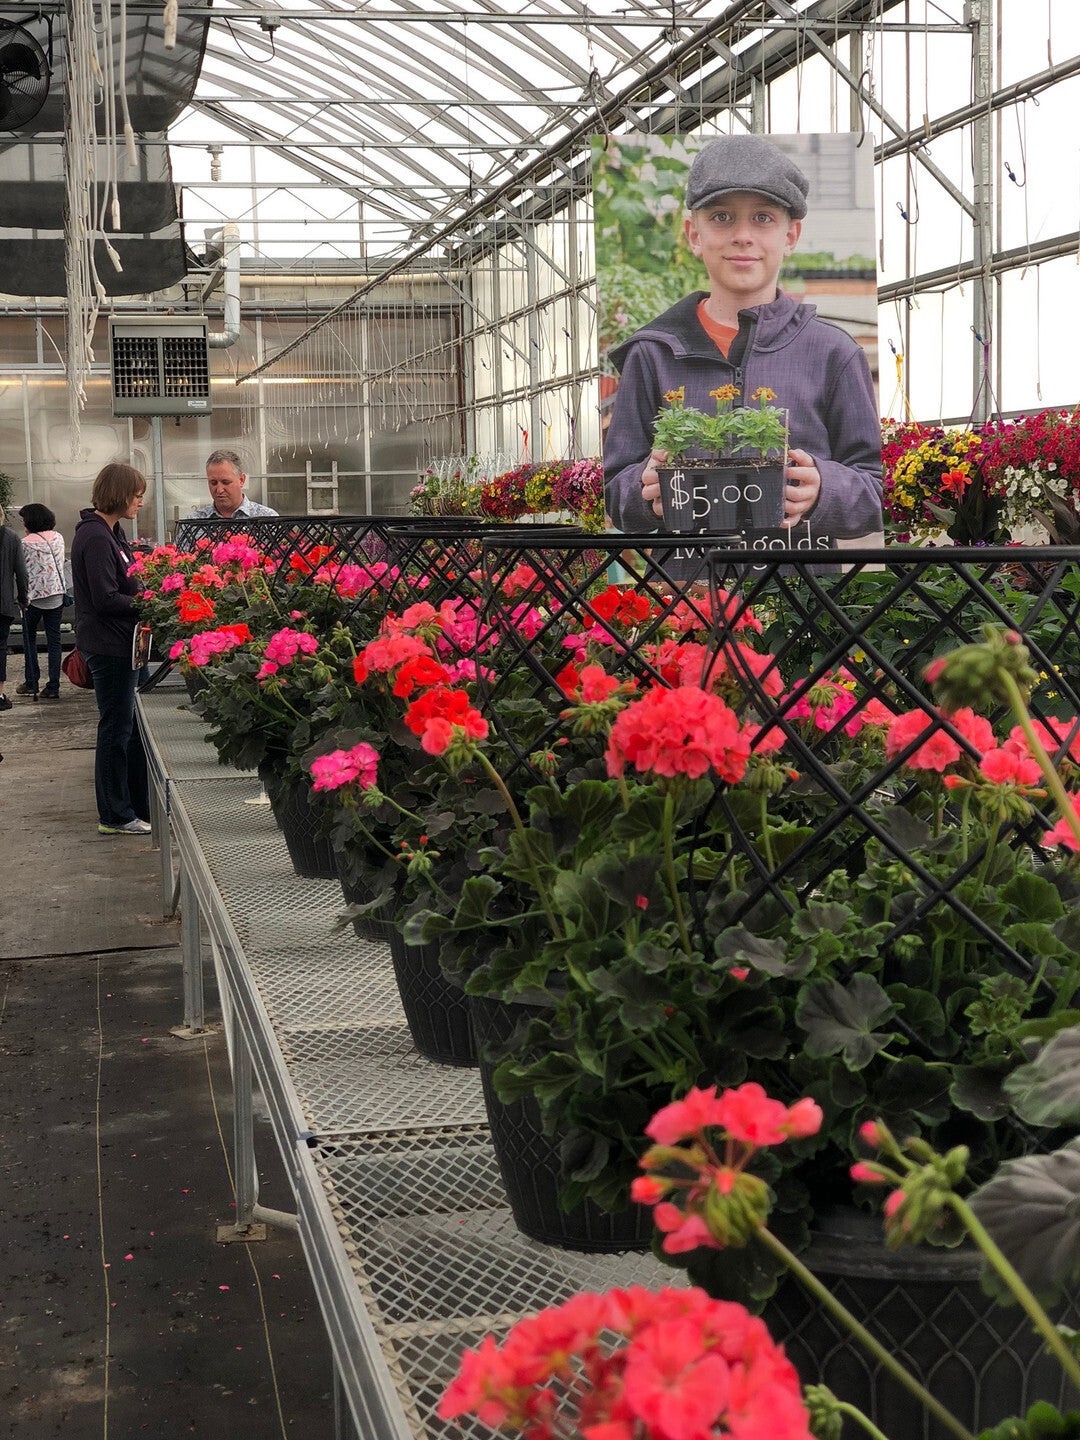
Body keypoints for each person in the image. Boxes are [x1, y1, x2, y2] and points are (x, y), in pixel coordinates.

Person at [603, 133, 882, 546]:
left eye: (763, 218)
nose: (743, 236)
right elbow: (614, 490)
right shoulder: (653, 353)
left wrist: (824, 487)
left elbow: (876, 487)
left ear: (790, 236)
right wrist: (642, 493)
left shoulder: (832, 353)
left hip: (804, 596)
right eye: (721, 217)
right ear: (693, 235)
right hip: (687, 596)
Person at [71, 463, 152, 836]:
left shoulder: (112, 533)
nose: (140, 502)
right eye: (136, 495)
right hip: (109, 646)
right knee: (116, 730)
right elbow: (105, 598)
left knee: (130, 729)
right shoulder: (95, 537)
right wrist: (149, 602)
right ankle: (115, 815)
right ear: (120, 493)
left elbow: (125, 580)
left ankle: (134, 806)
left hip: (122, 642)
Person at [16, 502, 67, 701]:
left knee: (29, 640)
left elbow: (21, 572)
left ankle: (31, 682)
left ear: (30, 521)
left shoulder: (24, 543)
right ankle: (53, 686)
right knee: (55, 641)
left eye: (24, 519)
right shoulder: (59, 538)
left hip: (33, 599)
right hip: (56, 596)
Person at [186, 450, 278, 520]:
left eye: (226, 482)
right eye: (213, 483)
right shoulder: (194, 521)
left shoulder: (267, 518)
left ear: (241, 480)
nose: (219, 490)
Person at [0, 504, 29, 713]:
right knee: (0, 648)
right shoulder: (10, 538)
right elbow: (21, 572)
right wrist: (23, 597)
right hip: (3, 604)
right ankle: (0, 693)